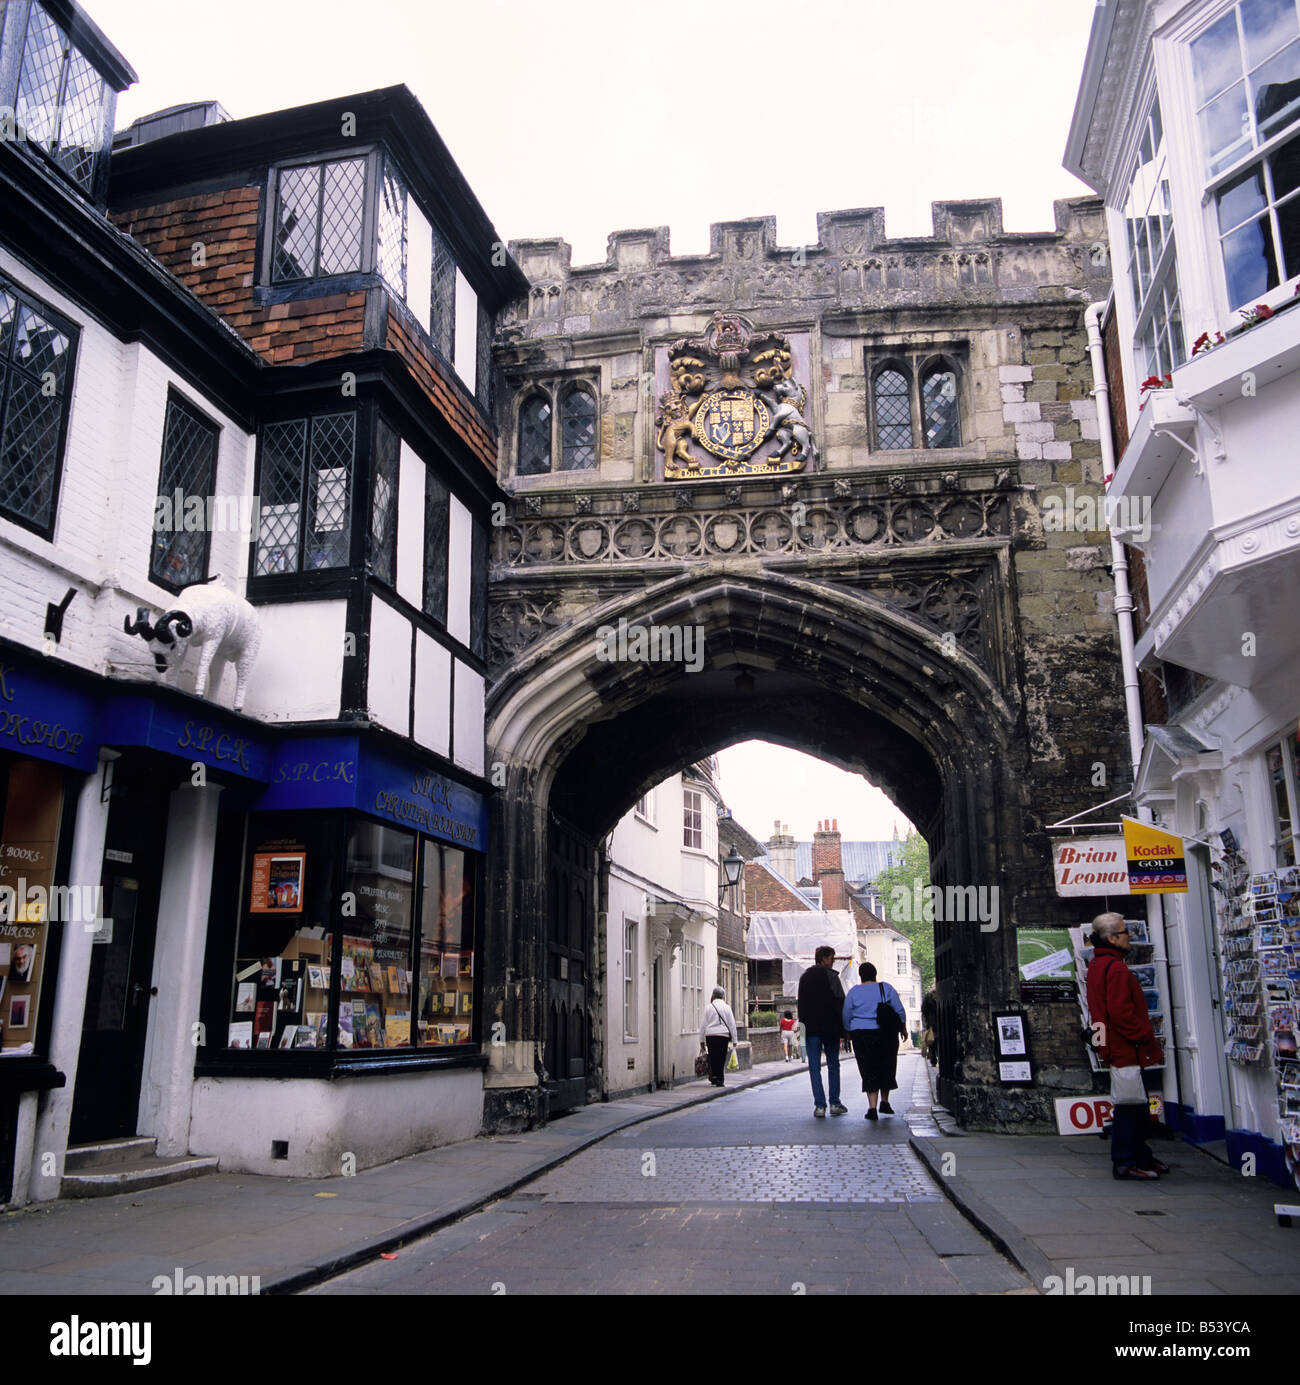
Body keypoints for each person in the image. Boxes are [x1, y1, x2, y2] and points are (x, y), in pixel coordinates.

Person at [1085, 912, 1168, 1180]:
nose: (1129, 935)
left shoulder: (1097, 965)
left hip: (1114, 1045)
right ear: (1111, 938)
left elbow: (1099, 1013)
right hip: (1126, 1047)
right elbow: (1120, 1012)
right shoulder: (1116, 968)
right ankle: (1124, 1162)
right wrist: (1143, 1036)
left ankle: (1142, 1156)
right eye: (1124, 932)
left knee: (1136, 1104)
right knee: (1129, 1107)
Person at [843, 962, 908, 1119]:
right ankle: (884, 1102)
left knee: (868, 1069)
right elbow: (899, 1010)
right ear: (875, 973)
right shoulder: (886, 988)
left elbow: (846, 1014)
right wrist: (903, 1028)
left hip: (861, 1034)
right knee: (886, 1065)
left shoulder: (853, 992)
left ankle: (872, 1107)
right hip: (885, 1032)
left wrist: (848, 1032)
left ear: (860, 975)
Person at [797, 946, 847, 1117]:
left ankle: (820, 1105)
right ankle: (834, 1102)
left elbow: (801, 1006)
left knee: (814, 1067)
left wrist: (803, 1030)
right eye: (832, 958)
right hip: (830, 1028)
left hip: (811, 1029)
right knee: (833, 1065)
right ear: (824, 959)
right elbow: (840, 1003)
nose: (833, 961)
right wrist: (844, 1029)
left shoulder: (805, 977)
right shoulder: (832, 977)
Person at [698, 985, 738, 1087]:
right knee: (721, 1057)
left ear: (713, 995)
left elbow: (703, 1025)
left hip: (711, 1035)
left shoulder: (708, 1007)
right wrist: (734, 1039)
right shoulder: (727, 1008)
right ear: (723, 996)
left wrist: (701, 1040)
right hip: (723, 1035)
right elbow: (732, 1024)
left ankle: (714, 1076)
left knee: (712, 1056)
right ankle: (720, 1078)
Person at [921, 988, 938, 1068]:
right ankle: (933, 1059)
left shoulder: (931, 996)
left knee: (936, 1042)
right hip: (932, 1023)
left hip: (935, 1022)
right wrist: (926, 1024)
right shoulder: (929, 996)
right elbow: (924, 1010)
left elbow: (923, 1010)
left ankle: (934, 1059)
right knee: (932, 1042)